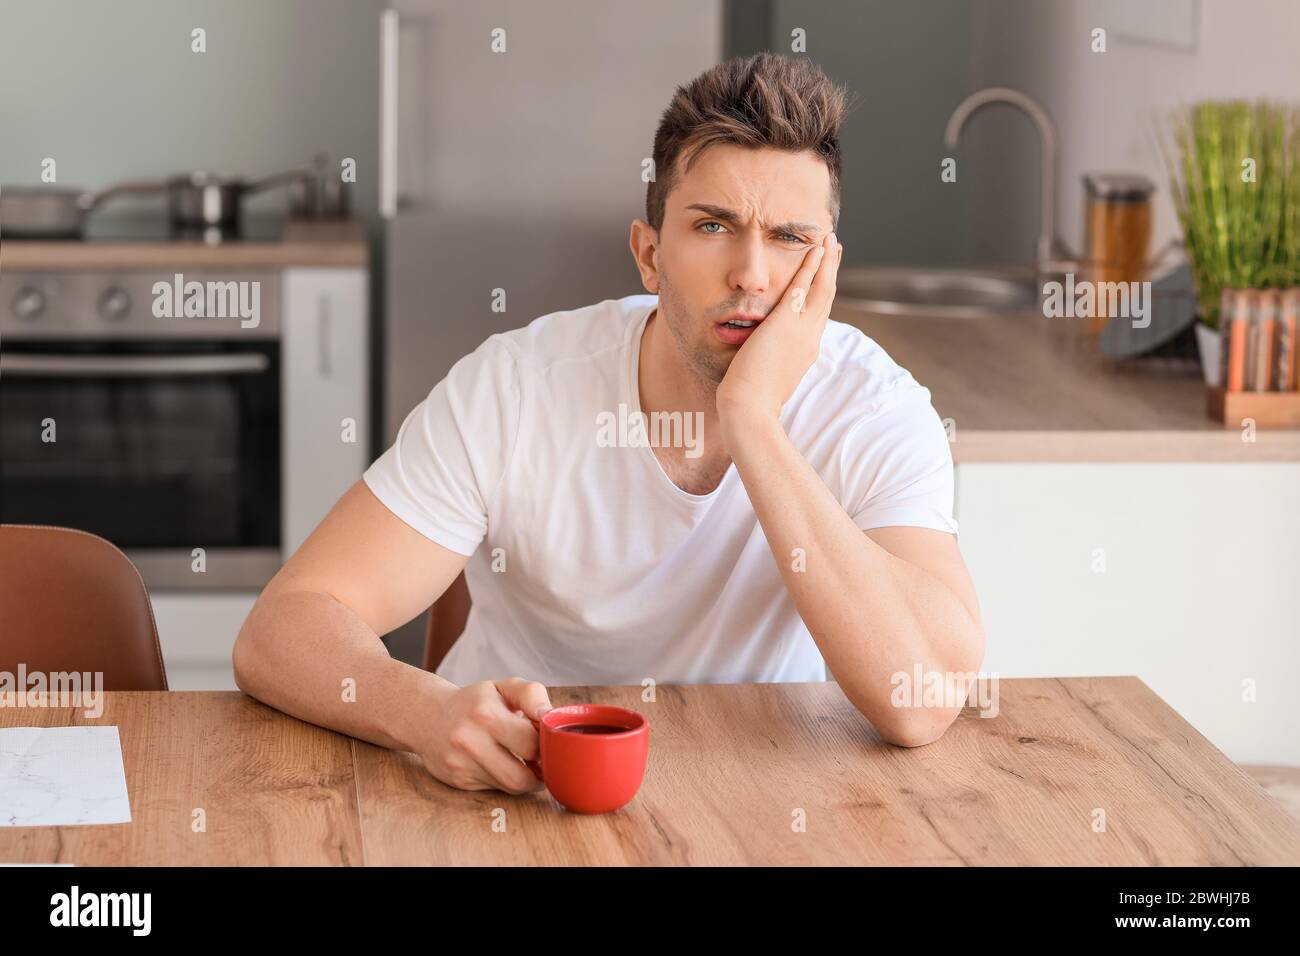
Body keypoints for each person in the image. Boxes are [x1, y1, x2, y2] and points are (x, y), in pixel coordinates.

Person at [234, 52, 984, 795]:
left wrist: (752, 421)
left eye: (791, 238)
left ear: (825, 270)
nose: (753, 275)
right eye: (715, 224)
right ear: (649, 255)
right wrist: (424, 712)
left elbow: (921, 702)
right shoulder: (516, 387)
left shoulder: (874, 406)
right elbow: (283, 629)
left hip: (761, 790)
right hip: (515, 791)